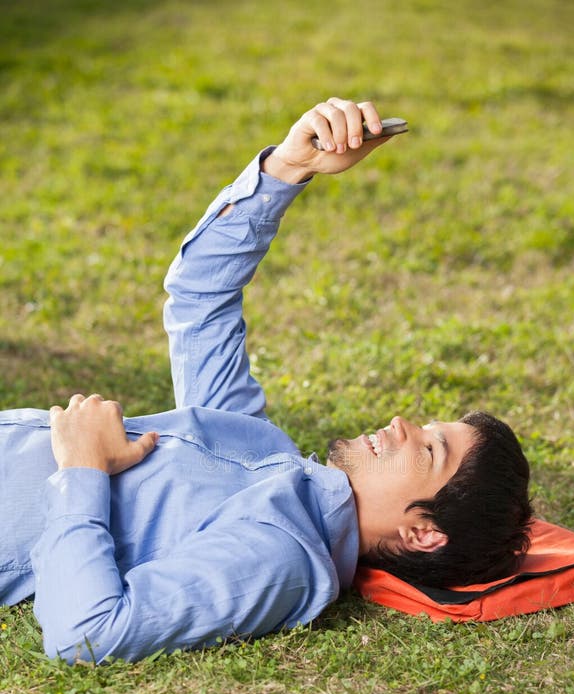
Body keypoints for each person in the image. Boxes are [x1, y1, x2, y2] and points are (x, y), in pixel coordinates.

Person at [0, 98, 532, 664]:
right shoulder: (260, 447)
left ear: (423, 533)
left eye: (429, 448)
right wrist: (288, 167)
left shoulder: (282, 554)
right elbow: (202, 299)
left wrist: (81, 469)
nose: (402, 423)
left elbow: (88, 634)